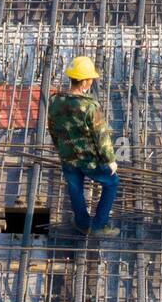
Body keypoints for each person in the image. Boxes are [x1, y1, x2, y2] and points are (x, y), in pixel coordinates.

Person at [47, 56, 119, 237]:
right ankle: (99, 226)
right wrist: (110, 160)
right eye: (91, 79)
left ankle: (82, 223)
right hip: (89, 159)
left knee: (75, 188)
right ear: (85, 81)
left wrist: (62, 149)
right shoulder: (89, 107)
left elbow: (53, 129)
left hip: (68, 156)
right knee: (111, 183)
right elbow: (101, 137)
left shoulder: (55, 101)